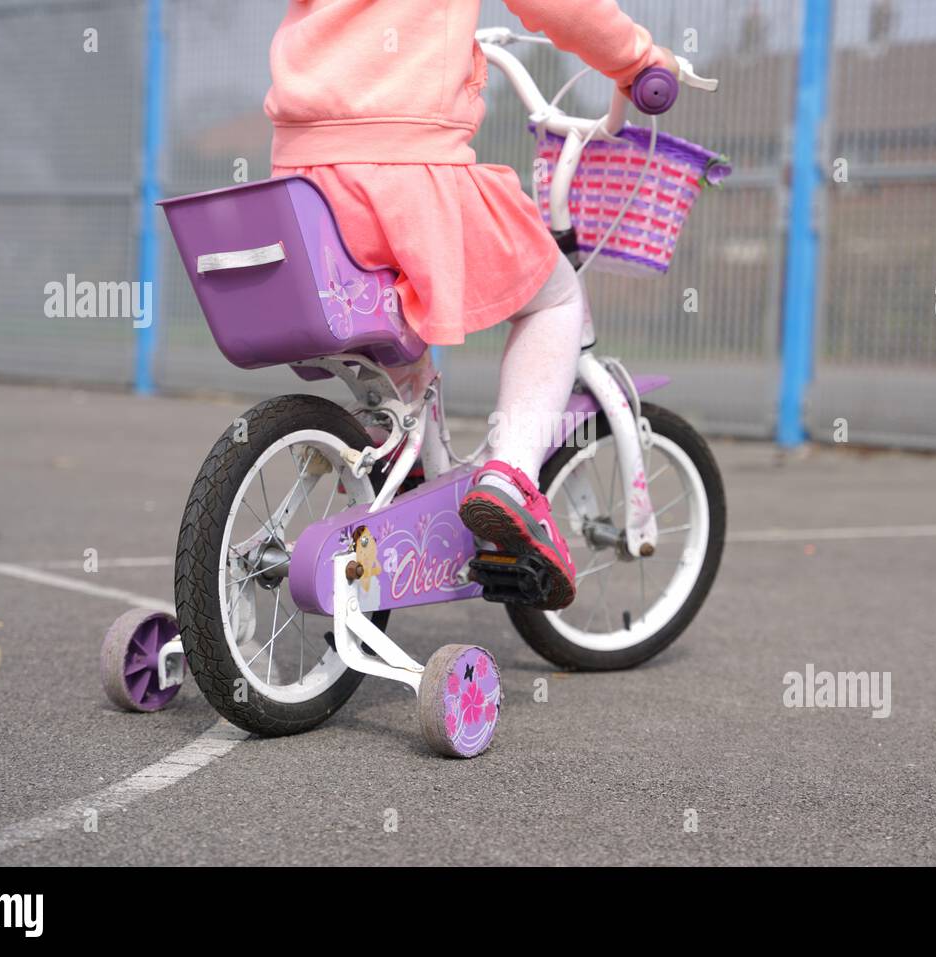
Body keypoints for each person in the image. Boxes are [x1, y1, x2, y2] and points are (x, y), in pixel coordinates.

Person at [265, 0, 677, 609]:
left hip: (297, 183)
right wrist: (637, 59)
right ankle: (510, 475)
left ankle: (410, 466)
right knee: (556, 297)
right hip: (403, 176)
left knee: (390, 330)